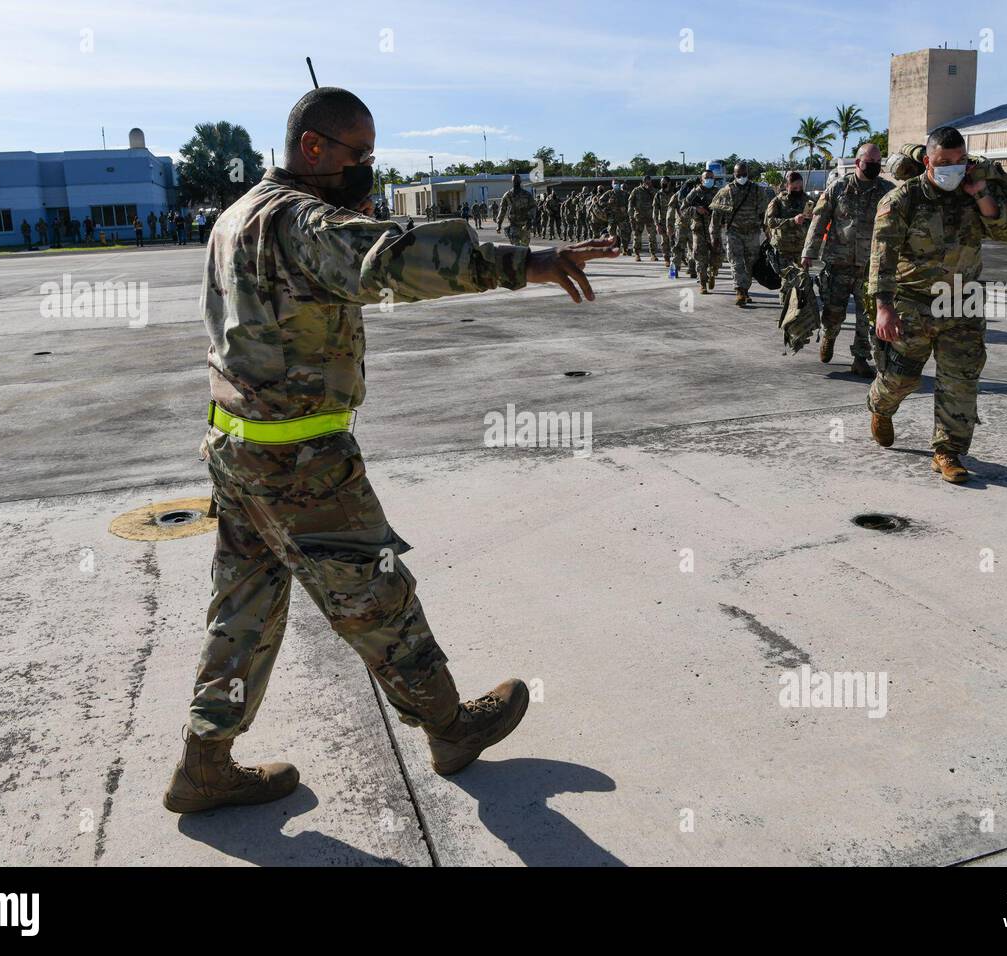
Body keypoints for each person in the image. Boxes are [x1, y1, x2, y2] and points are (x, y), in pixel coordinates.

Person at [162, 85, 617, 814]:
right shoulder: (298, 219)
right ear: (313, 149)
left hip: (237, 448)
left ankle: (205, 761)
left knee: (242, 614)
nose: (367, 168)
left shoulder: (237, 214)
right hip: (300, 463)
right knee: (380, 604)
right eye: (359, 154)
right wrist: (520, 261)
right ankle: (448, 728)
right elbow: (388, 260)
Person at [867, 125, 1007, 483]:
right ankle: (881, 406)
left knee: (961, 380)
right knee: (901, 378)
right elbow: (882, 255)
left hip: (963, 302)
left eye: (960, 161)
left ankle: (947, 451)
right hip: (914, 301)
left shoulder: (974, 193)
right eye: (944, 162)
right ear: (927, 161)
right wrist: (883, 306)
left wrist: (980, 193)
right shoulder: (903, 199)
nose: (953, 167)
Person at [801, 143, 892, 377]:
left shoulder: (886, 191)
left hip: (870, 267)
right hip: (838, 264)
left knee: (867, 317)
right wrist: (808, 253)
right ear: (858, 162)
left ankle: (860, 358)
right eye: (870, 163)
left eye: (877, 164)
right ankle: (829, 336)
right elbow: (819, 220)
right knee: (833, 312)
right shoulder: (838, 188)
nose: (874, 167)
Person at [710, 162, 764, 306]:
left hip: (752, 233)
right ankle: (739, 290)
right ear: (734, 174)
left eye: (744, 174)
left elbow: (765, 213)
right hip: (734, 233)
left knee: (750, 264)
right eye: (738, 174)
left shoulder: (757, 190)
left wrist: (769, 232)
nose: (741, 177)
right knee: (736, 262)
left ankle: (745, 289)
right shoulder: (726, 191)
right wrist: (715, 236)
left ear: (748, 173)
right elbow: (716, 216)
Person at [765, 171, 813, 310]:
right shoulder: (778, 201)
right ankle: (786, 310)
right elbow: (771, 222)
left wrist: (810, 220)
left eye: (800, 187)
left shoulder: (808, 201)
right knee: (787, 281)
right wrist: (792, 221)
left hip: (801, 249)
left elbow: (814, 223)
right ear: (787, 186)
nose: (798, 191)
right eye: (794, 188)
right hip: (783, 249)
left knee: (802, 281)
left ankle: (799, 310)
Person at [683, 169, 718, 292]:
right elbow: (683, 209)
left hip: (714, 230)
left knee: (716, 256)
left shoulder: (718, 192)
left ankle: (712, 274)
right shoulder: (695, 192)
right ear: (701, 179)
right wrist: (696, 210)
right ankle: (703, 283)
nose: (709, 180)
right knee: (700, 257)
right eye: (706, 177)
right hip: (699, 229)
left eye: (711, 177)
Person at [496, 173, 536, 246]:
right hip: (514, 226)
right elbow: (502, 210)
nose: (516, 182)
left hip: (525, 225)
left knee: (525, 247)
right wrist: (499, 224)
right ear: (512, 182)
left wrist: (530, 219)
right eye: (514, 181)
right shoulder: (507, 195)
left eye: (517, 181)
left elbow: (533, 207)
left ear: (520, 182)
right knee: (516, 248)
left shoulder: (527, 195)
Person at [628, 176, 659, 262]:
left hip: (650, 217)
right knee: (637, 236)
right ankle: (637, 254)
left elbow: (657, 203)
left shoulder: (654, 191)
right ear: (643, 182)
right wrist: (631, 216)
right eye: (646, 182)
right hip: (639, 217)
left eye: (649, 182)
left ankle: (653, 254)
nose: (648, 183)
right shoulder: (636, 191)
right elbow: (630, 204)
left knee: (652, 236)